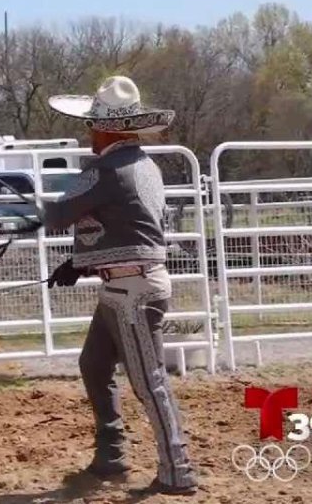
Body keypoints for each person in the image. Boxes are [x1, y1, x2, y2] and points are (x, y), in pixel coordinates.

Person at [40, 75, 199, 496]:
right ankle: (111, 456)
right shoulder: (143, 166)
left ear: (107, 129)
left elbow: (58, 216)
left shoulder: (105, 170)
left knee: (149, 383)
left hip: (132, 293)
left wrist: (22, 207)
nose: (89, 133)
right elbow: (129, 226)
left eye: (92, 126)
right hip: (126, 285)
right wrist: (80, 263)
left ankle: (178, 470)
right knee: (94, 364)